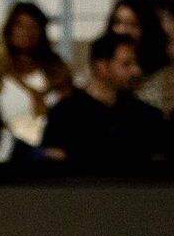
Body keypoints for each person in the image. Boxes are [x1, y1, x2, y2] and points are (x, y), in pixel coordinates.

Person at [42, 33, 164, 163]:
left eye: (136, 63)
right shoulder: (65, 114)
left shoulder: (146, 116)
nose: (136, 71)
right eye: (127, 64)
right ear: (102, 66)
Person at [0, 2, 73, 147]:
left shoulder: (58, 71)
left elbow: (70, 115)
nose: (26, 32)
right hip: (5, 147)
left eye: (33, 26)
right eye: (20, 26)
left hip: (51, 148)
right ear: (9, 30)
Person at [106, 0, 174, 114]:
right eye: (118, 23)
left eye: (133, 25)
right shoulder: (103, 67)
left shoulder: (166, 77)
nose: (123, 31)